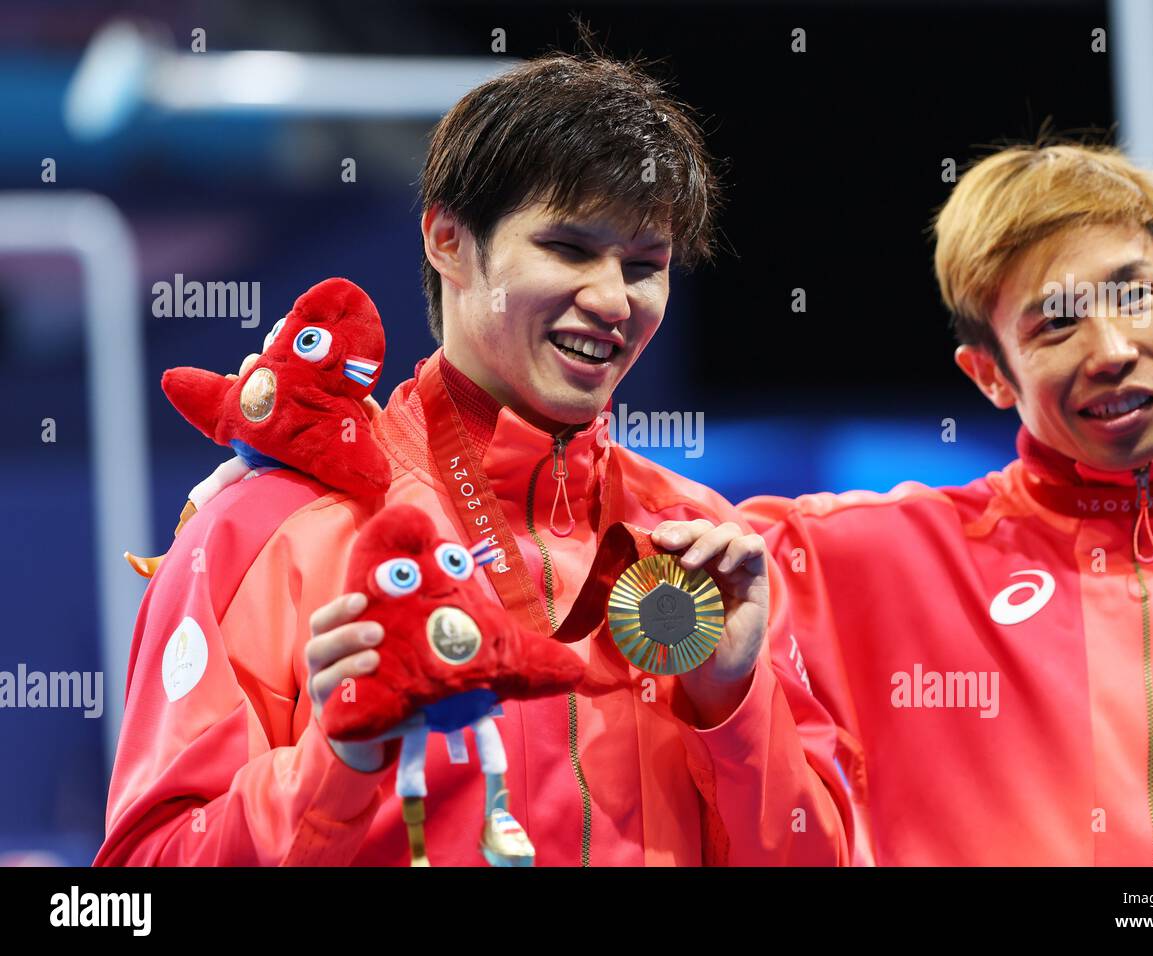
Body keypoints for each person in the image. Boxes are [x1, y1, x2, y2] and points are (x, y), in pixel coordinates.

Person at [95, 48, 854, 867]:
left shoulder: (703, 548)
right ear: (448, 242)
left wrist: (733, 710)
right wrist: (335, 769)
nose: (611, 300)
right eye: (568, 248)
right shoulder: (264, 529)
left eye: (644, 266)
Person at [743, 140, 1153, 866]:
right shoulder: (869, 559)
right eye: (1055, 324)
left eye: (1135, 295)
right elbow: (622, 552)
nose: (1112, 350)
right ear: (989, 375)